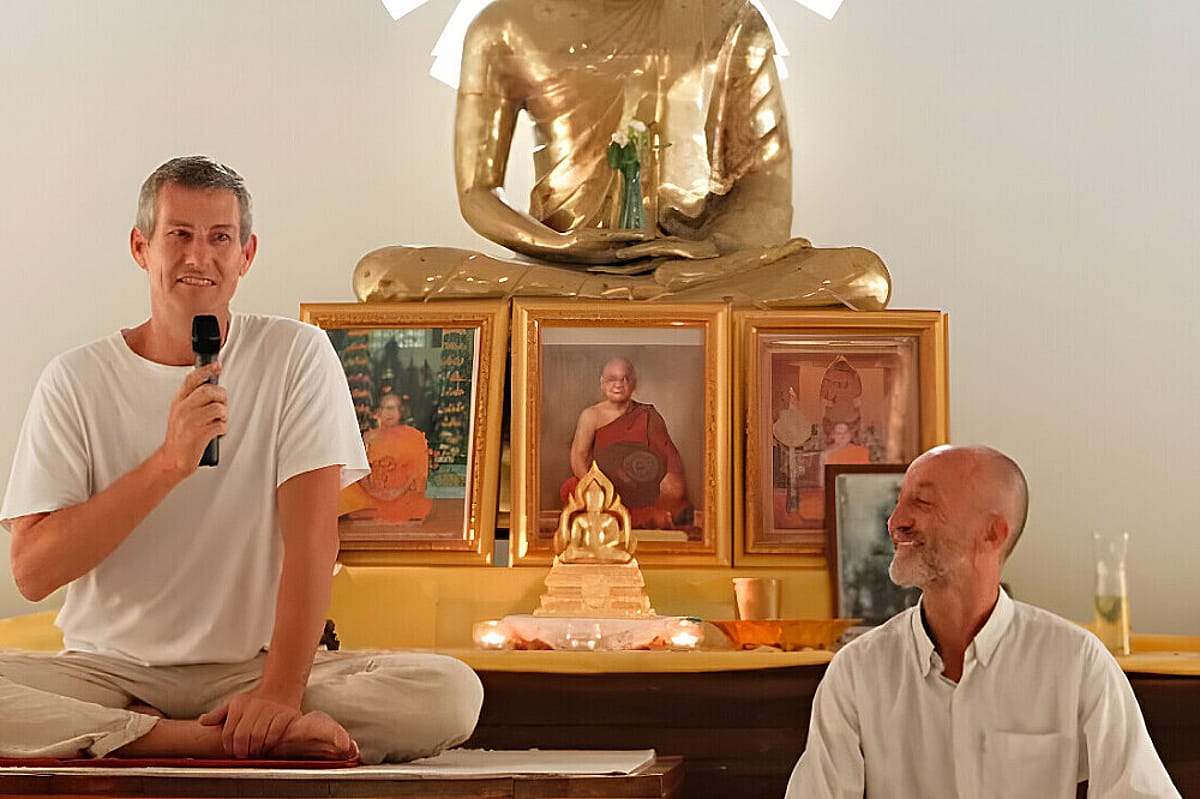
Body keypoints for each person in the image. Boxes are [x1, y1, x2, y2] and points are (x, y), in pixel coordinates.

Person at [0, 156, 482, 763]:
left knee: (451, 692)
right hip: (108, 673)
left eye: (219, 238)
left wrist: (279, 694)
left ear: (246, 255)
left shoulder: (296, 356)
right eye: (179, 235)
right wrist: (168, 464)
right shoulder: (75, 378)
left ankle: (148, 736)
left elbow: (312, 543)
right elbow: (33, 573)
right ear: (141, 247)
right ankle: (196, 740)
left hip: (248, 672)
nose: (199, 257)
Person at [351, 0, 892, 310]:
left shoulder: (727, 16)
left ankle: (609, 300)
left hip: (695, 267)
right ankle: (608, 296)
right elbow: (476, 192)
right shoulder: (502, 26)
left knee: (863, 277)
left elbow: (765, 186)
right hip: (556, 267)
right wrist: (559, 244)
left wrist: (703, 252)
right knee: (381, 274)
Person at [785, 445, 1180, 798]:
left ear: (992, 534)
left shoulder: (1077, 662)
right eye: (898, 503)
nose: (896, 522)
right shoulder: (856, 672)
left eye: (921, 503)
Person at [560, 357, 690, 530]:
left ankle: (648, 516)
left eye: (625, 379)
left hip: (643, 489)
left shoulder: (648, 414)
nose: (619, 384)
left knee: (672, 491)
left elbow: (668, 455)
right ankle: (638, 517)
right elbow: (578, 456)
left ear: (634, 384)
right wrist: (594, 486)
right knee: (572, 489)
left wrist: (671, 481)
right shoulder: (591, 415)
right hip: (604, 486)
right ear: (602, 383)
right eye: (612, 379)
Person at [341, 392, 434, 522]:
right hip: (371, 498)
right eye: (384, 408)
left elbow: (417, 474)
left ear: (401, 411)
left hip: (404, 498)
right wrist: (376, 493)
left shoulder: (414, 437)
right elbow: (359, 471)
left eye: (393, 408)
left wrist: (395, 493)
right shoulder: (368, 437)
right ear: (378, 411)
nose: (388, 413)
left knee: (414, 507)